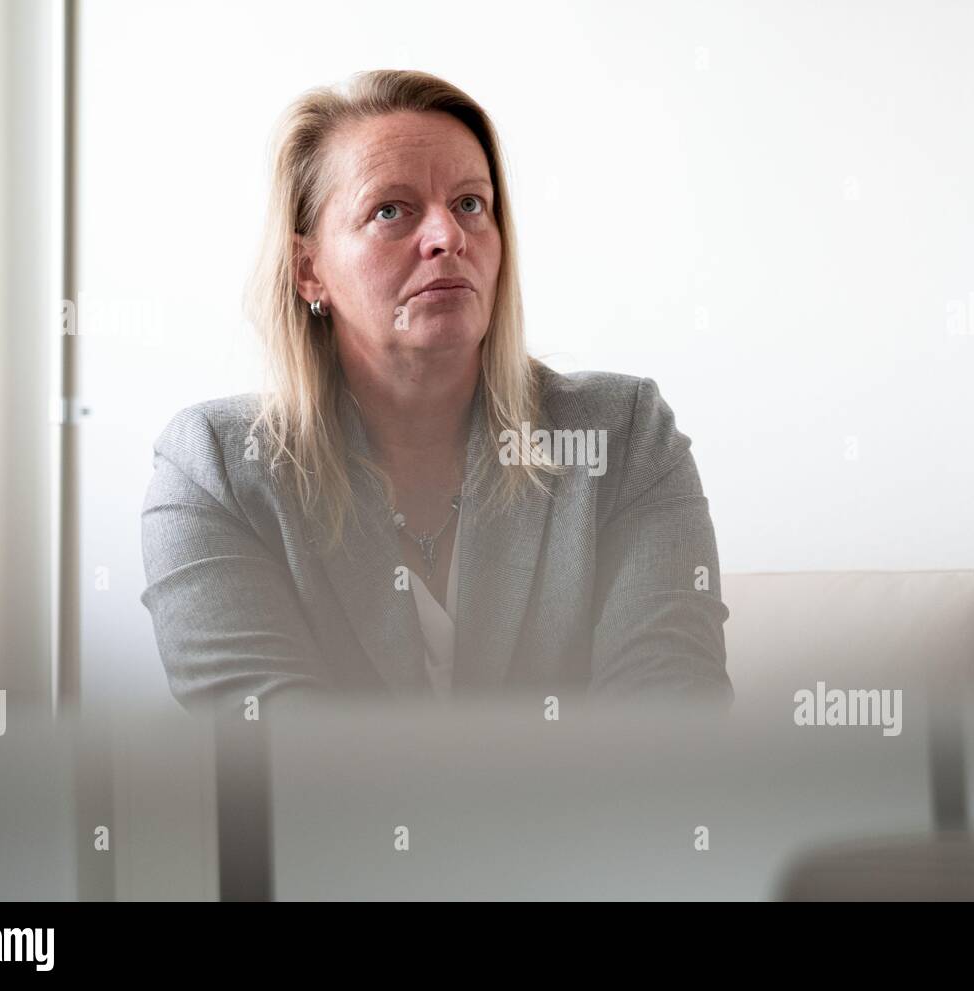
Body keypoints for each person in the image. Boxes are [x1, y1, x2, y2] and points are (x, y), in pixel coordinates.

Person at [139, 69, 732, 713]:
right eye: (389, 210)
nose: (448, 237)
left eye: (471, 204)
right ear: (309, 270)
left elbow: (672, 726)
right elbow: (280, 760)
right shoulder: (215, 471)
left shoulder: (623, 436)